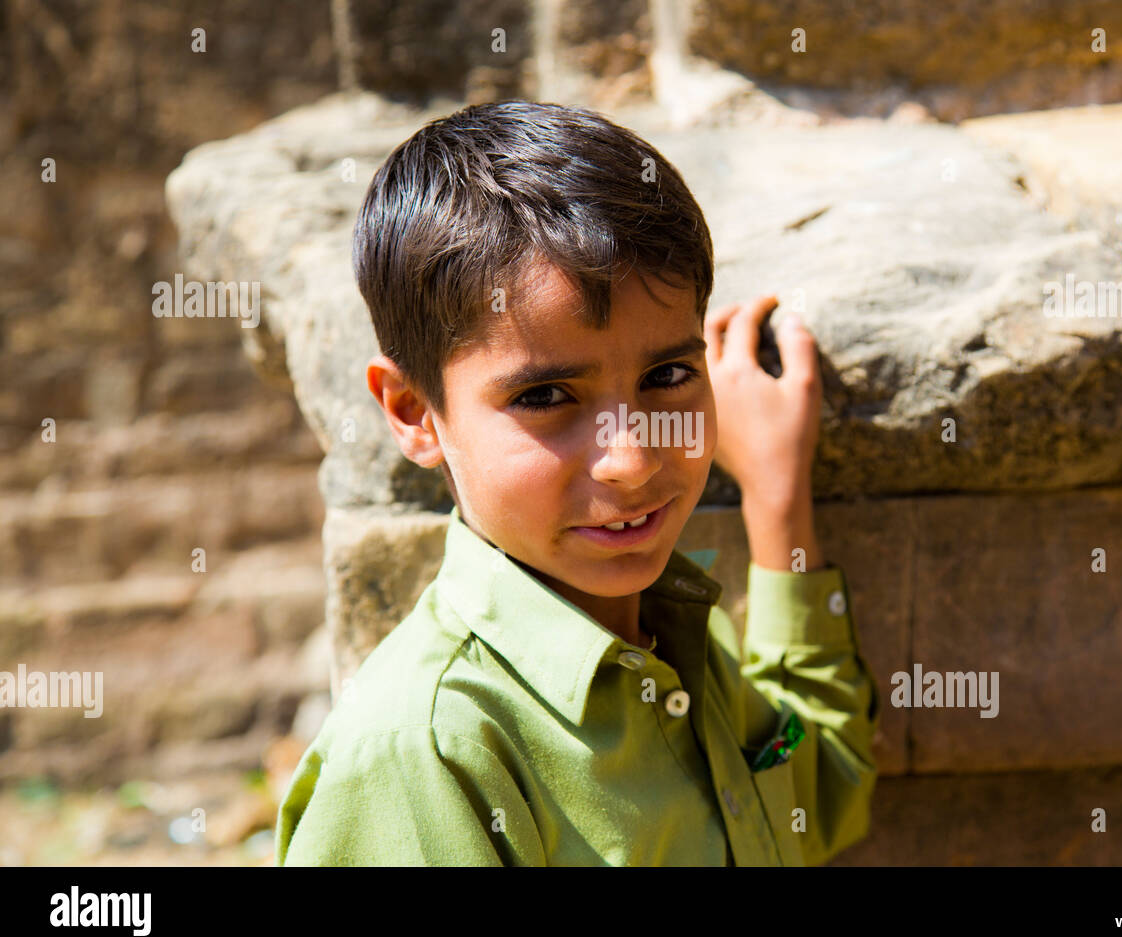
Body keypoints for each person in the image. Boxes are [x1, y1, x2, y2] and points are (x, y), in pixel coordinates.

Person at [275, 101, 880, 866]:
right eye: (545, 397)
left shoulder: (680, 638)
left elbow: (824, 793)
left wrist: (777, 498)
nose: (630, 459)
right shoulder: (428, 757)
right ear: (414, 412)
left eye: (667, 376)